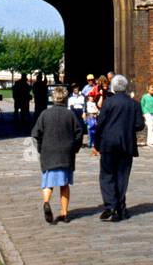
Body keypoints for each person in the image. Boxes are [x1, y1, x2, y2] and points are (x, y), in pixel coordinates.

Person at [30, 86, 85, 224]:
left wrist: (41, 148)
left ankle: (46, 202)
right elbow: (79, 132)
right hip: (66, 153)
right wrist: (75, 147)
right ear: (65, 99)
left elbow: (35, 134)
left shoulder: (44, 114)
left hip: (49, 152)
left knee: (48, 183)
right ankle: (64, 213)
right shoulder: (70, 114)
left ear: (53, 98)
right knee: (64, 184)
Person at [95, 74, 144, 222]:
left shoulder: (108, 103)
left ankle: (111, 206)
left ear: (113, 87)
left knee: (107, 175)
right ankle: (120, 207)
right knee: (122, 176)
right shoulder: (134, 104)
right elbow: (139, 125)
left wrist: (97, 144)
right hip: (126, 143)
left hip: (109, 143)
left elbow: (100, 124)